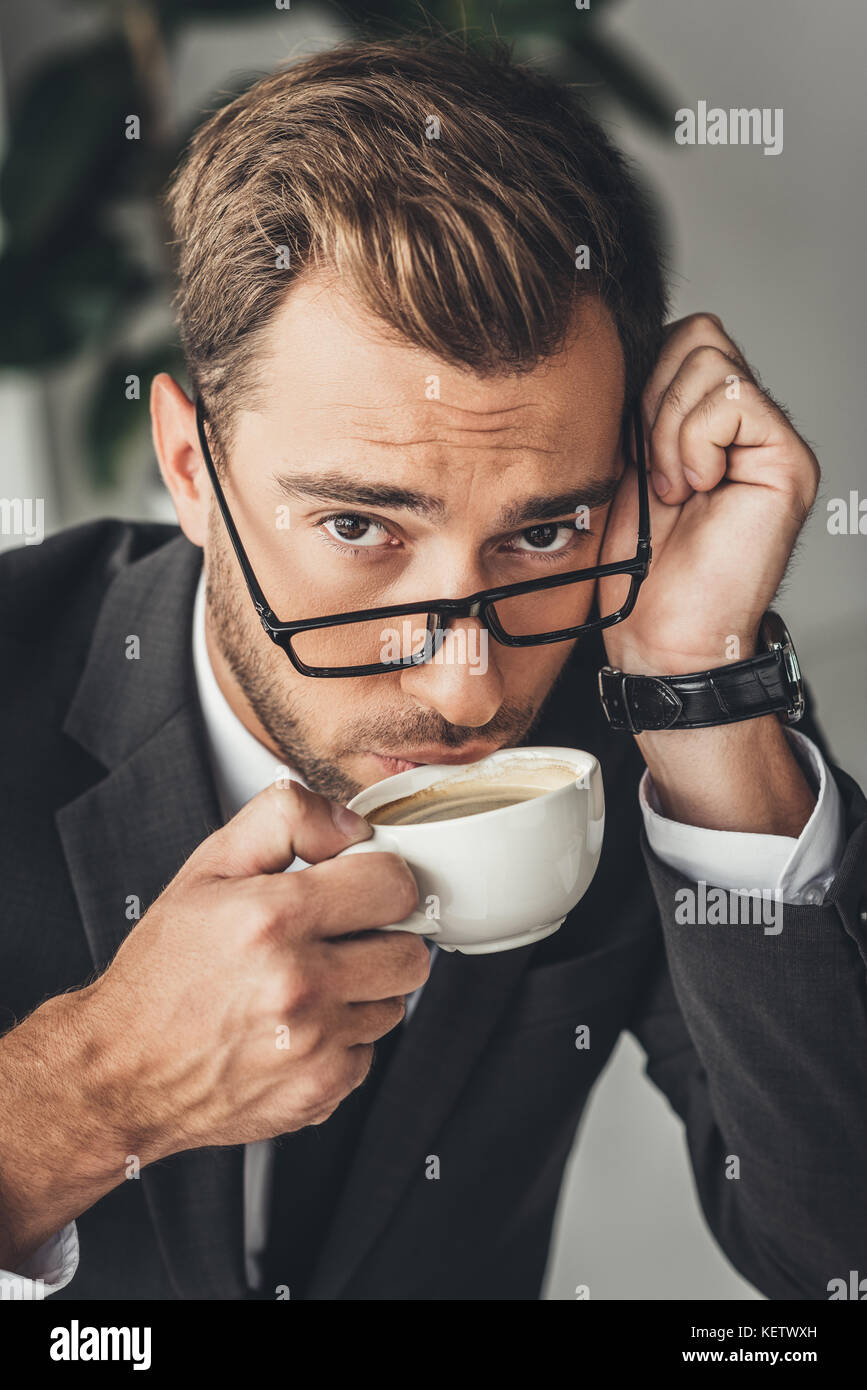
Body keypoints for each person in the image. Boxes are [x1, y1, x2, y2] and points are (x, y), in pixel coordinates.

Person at [0, 33, 864, 1302]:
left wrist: (702, 686)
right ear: (191, 466)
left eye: (543, 529)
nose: (471, 693)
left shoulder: (636, 719)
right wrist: (84, 1100)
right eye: (360, 527)